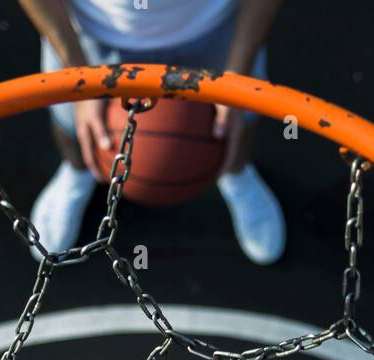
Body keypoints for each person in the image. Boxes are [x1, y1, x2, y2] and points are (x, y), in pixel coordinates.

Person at [17, 0, 286, 265]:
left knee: (236, 121)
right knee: (75, 124)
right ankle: (77, 173)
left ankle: (236, 175)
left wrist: (237, 69)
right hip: (87, 32)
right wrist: (77, 72)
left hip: (217, 28)